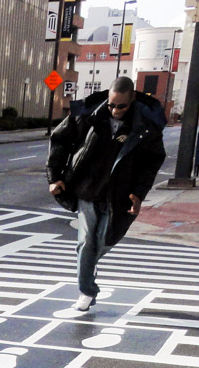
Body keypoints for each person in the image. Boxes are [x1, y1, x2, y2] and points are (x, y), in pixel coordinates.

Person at [46, 77, 167, 312]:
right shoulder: (89, 115)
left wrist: (139, 193)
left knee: (103, 241)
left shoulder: (146, 127)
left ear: (132, 99)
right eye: (111, 105)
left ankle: (87, 268)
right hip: (87, 190)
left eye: (121, 105)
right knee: (87, 242)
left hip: (118, 196)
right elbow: (60, 140)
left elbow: (151, 163)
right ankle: (87, 291)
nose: (115, 110)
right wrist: (54, 176)